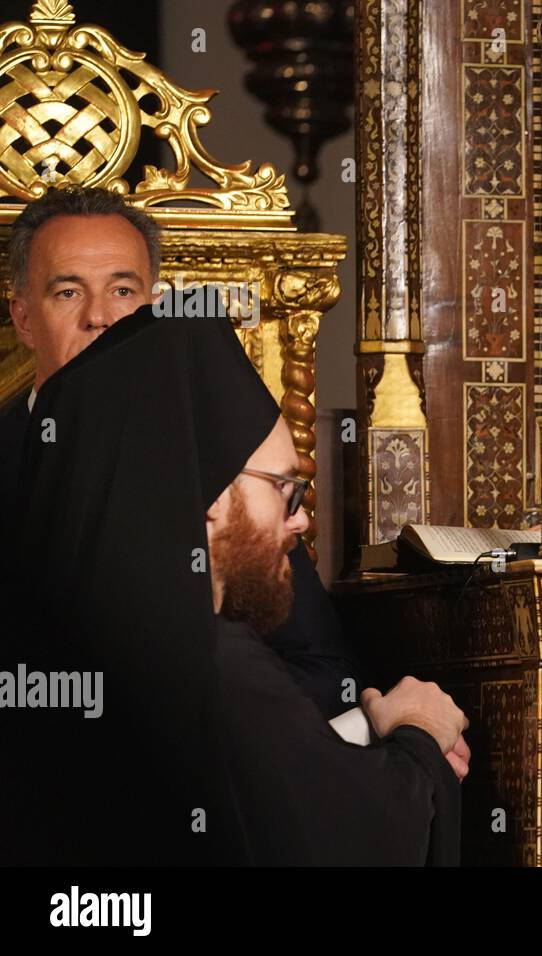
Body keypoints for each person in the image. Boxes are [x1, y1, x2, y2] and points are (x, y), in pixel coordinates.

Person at [1, 306, 468, 864]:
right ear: (212, 494)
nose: (299, 520)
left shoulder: (87, 636)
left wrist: (368, 728)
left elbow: (240, 794)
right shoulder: (202, 656)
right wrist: (420, 734)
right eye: (283, 488)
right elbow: (347, 838)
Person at [1, 185, 358, 719]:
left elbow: (327, 673)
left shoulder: (224, 463)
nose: (99, 317)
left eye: (123, 291)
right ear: (25, 318)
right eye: (68, 293)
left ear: (154, 307)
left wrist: (195, 728)